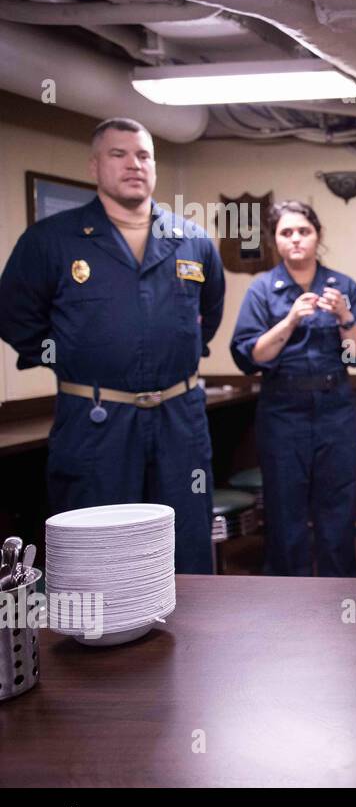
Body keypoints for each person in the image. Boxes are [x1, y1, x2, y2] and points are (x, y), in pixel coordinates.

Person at [0, 117, 225, 572]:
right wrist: (76, 351)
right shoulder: (51, 241)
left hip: (179, 418)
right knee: (98, 547)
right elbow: (14, 317)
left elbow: (209, 315)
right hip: (96, 419)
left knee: (189, 543)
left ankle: (197, 640)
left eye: (143, 155)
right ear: (94, 165)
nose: (133, 164)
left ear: (154, 167)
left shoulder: (193, 240)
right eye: (118, 154)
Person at [230, 200, 356, 576]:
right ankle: (288, 607)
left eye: (304, 231)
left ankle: (341, 597)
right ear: (275, 241)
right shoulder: (262, 289)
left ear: (317, 236)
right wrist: (290, 319)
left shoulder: (343, 286)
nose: (296, 239)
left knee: (337, 508)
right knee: (284, 508)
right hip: (282, 407)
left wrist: (345, 317)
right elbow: (252, 356)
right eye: (286, 233)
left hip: (335, 406)